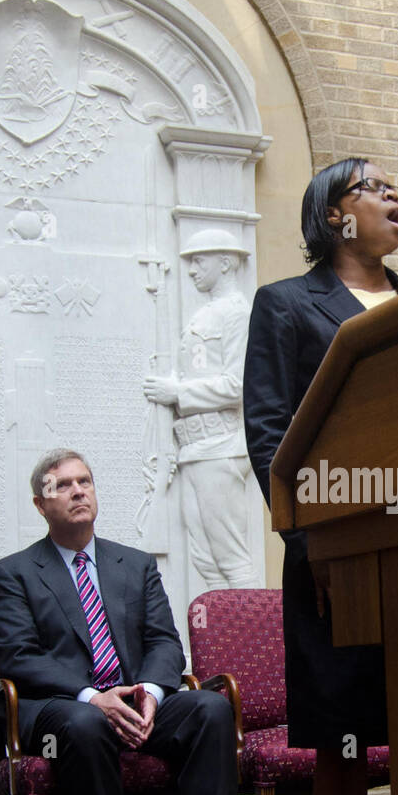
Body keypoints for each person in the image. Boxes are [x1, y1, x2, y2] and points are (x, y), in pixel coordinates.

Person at [243, 158, 398, 795]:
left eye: (397, 190)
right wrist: (310, 538)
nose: (394, 197)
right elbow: (271, 430)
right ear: (332, 212)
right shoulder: (287, 304)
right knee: (346, 740)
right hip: (337, 555)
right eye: (374, 186)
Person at [0, 449, 243, 795]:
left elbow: (164, 641)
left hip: (133, 699)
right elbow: (18, 656)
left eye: (85, 481)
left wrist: (149, 691)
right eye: (61, 485)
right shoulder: (13, 573)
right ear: (40, 506)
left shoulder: (136, 565)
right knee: (87, 723)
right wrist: (91, 696)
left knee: (210, 708)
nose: (78, 491)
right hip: (61, 707)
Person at [142, 228, 258, 588]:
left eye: (198, 260)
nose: (191, 269)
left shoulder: (237, 313)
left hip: (219, 447)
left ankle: (253, 642)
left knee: (232, 560)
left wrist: (178, 391)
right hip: (193, 449)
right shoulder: (205, 314)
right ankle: (222, 643)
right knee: (205, 563)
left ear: (225, 263)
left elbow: (238, 385)